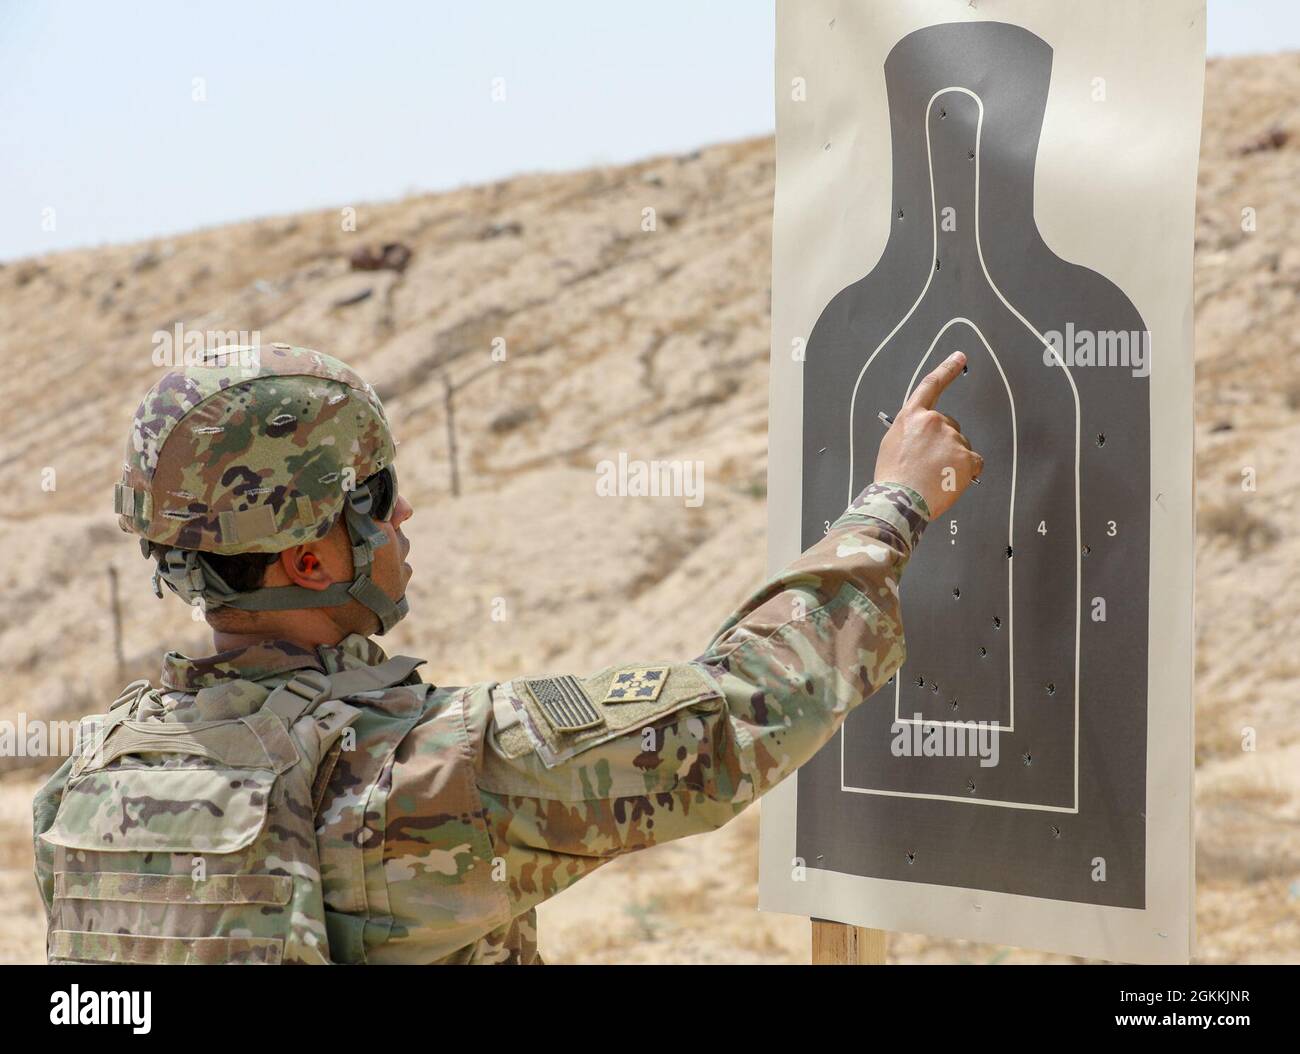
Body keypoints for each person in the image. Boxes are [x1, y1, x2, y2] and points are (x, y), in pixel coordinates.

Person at [32, 342, 979, 964]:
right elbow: (737, 714)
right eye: (374, 495)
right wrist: (892, 503)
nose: (402, 513)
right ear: (312, 558)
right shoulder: (423, 776)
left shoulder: (87, 778)